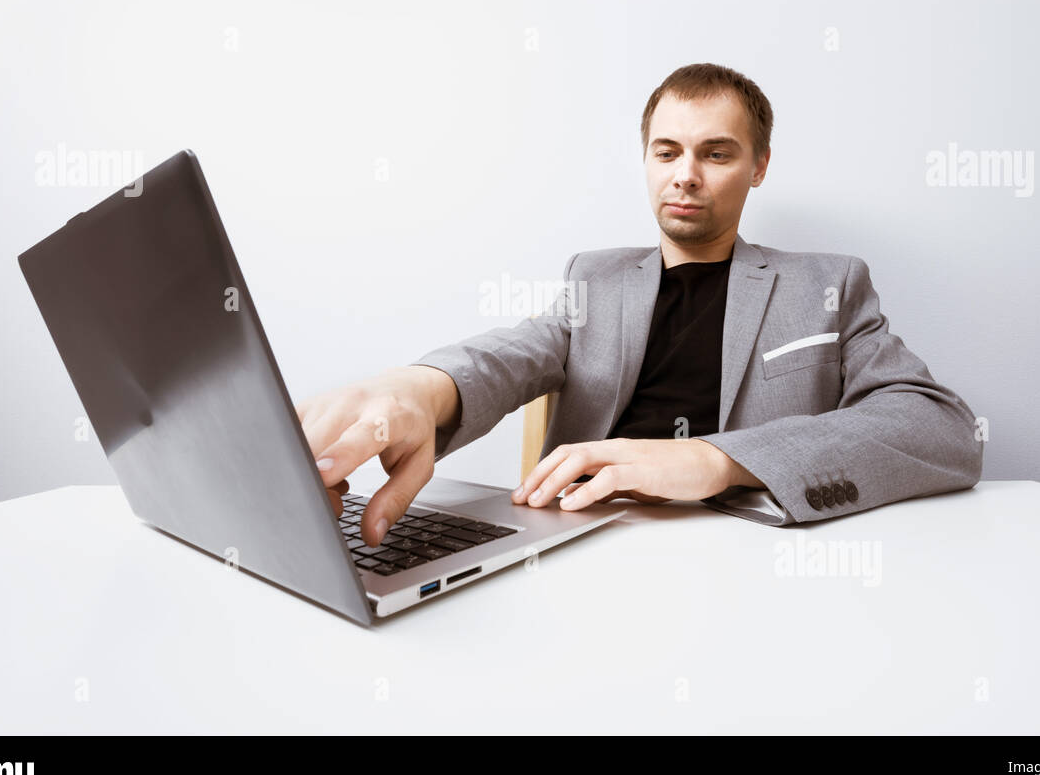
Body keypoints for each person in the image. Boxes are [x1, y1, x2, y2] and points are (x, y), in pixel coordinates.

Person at [296, 63, 983, 547]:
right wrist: (421, 387)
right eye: (668, 151)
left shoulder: (829, 283)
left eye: (716, 153)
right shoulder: (594, 279)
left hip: (752, 556)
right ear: (648, 161)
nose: (686, 173)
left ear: (760, 166)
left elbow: (943, 429)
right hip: (583, 547)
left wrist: (718, 460)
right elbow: (509, 355)